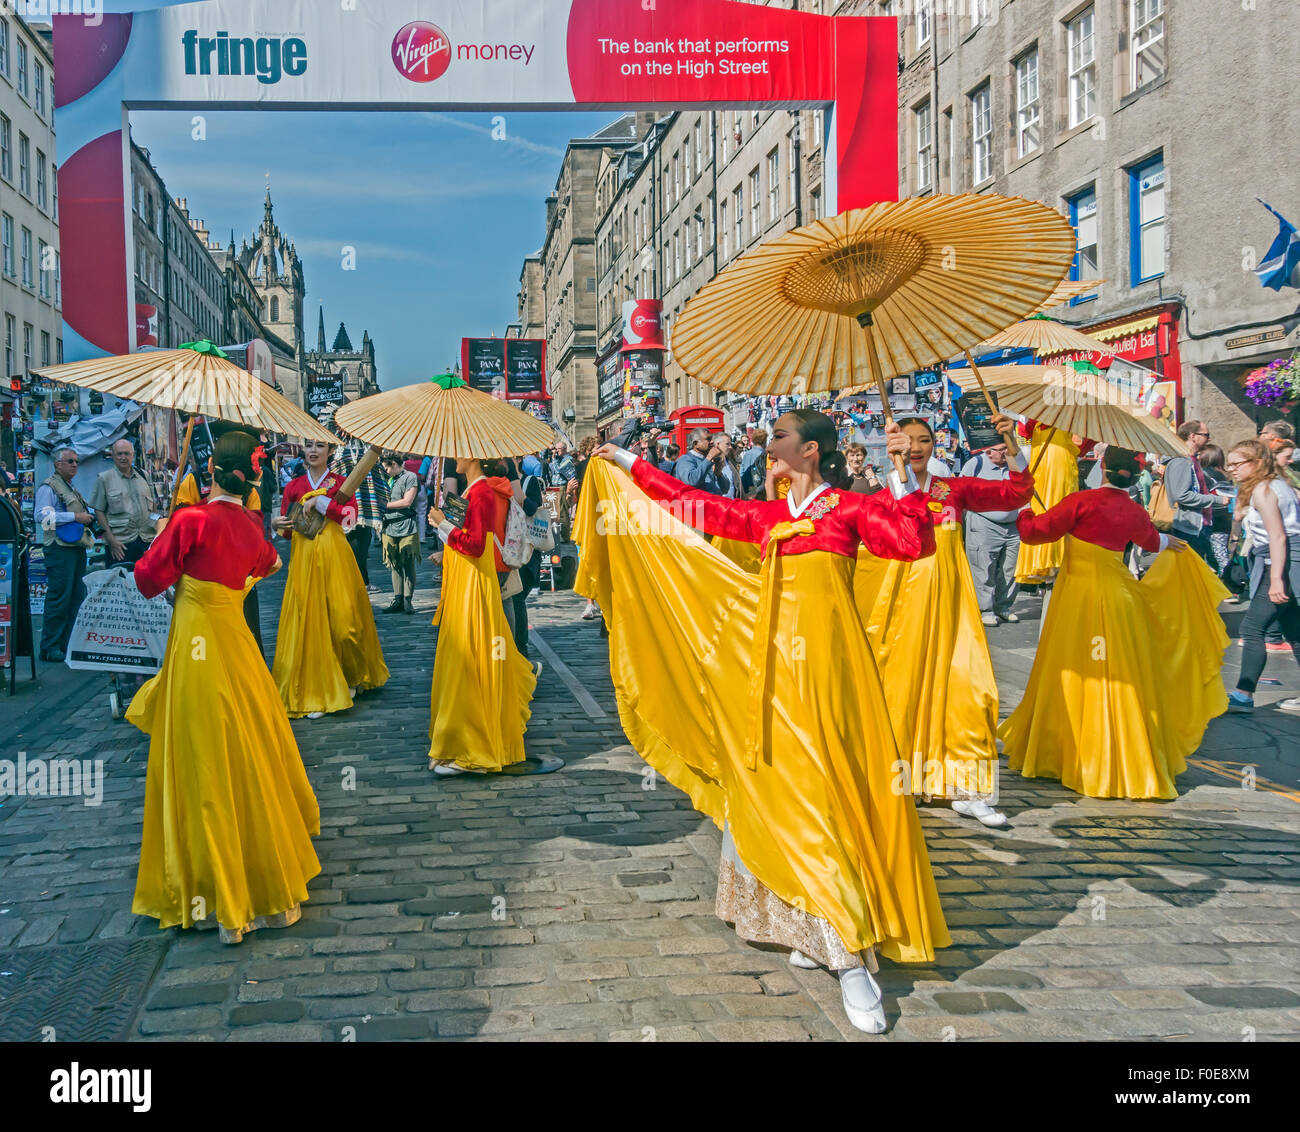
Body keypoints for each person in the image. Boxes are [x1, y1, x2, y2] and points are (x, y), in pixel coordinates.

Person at [579, 411, 949, 1034]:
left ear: (809, 451)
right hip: (773, 680)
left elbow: (914, 543)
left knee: (827, 800)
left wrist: (903, 472)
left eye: (777, 437)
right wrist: (628, 465)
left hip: (832, 679)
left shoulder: (852, 509)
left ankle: (852, 959)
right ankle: (816, 921)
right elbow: (692, 505)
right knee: (785, 794)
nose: (765, 444)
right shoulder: (768, 517)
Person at [127, 430, 320, 944]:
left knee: (202, 756)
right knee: (249, 748)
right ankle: (261, 880)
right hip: (236, 642)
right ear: (250, 477)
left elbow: (147, 580)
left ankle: (212, 887)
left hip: (197, 646)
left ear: (209, 470)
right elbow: (270, 564)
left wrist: (165, 536)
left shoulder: (190, 520)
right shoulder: (250, 525)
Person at [1001, 447, 1230, 798]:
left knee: (1072, 667)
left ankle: (1068, 751)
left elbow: (1035, 533)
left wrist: (1024, 509)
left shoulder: (1081, 501)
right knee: (1117, 674)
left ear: (1103, 467)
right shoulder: (1135, 510)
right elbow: (1151, 540)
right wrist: (1169, 541)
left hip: (1077, 598)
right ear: (1135, 474)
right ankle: (1121, 753)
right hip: (1119, 597)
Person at [854, 415, 1033, 828]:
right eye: (906, 439)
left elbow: (1016, 492)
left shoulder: (953, 491)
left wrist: (1011, 442)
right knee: (900, 692)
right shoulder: (879, 500)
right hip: (902, 618)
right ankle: (900, 782)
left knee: (970, 689)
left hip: (954, 614)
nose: (916, 447)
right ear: (892, 443)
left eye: (925, 439)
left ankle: (969, 790)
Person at [426, 454, 539, 776]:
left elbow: (475, 545)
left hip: (475, 583)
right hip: (474, 579)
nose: (453, 460)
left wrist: (442, 524)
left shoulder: (481, 492)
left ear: (473, 458)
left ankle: (472, 747)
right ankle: (464, 741)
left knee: (471, 663)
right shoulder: (483, 490)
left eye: (458, 454)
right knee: (476, 660)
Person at [273, 436, 389, 719]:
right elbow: (289, 531)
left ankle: (353, 673)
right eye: (309, 446)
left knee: (344, 623)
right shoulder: (293, 486)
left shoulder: (340, 483)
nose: (313, 451)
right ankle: (321, 687)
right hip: (303, 559)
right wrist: (277, 525)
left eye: (320, 446)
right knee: (311, 625)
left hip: (336, 556)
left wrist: (325, 504)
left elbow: (350, 520)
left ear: (331, 451)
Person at [1225, 440, 1300, 714]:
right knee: (1294, 630)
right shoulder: (1280, 485)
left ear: (1256, 463)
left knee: (1252, 629)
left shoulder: (1264, 490)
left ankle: (1243, 695)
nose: (1231, 469)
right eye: (1230, 464)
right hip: (1285, 560)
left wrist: (1277, 579)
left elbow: (1278, 536)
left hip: (1278, 562)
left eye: (1237, 464)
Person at [34, 447, 94, 662]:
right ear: (57, 464)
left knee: (75, 597)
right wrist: (75, 516)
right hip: (59, 549)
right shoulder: (49, 487)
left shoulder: (70, 487)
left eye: (77, 461)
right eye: (70, 461)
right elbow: (42, 517)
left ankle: (67, 644)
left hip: (74, 547)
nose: (74, 465)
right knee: (59, 598)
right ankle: (50, 647)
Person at [960, 439, 1024, 626]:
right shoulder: (975, 464)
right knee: (983, 569)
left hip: (1012, 524)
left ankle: (1003, 606)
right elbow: (961, 491)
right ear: (988, 451)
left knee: (1011, 569)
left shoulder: (1015, 463)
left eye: (1006, 449)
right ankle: (984, 609)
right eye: (1000, 450)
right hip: (983, 523)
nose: (1004, 453)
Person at [1014, 421, 1083, 585]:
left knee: (1047, 510)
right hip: (1057, 465)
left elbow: (1024, 432)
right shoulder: (1070, 418)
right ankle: (1053, 559)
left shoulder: (1036, 419)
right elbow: (1079, 442)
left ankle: (1041, 562)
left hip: (1044, 465)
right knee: (1057, 507)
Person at [1164, 420, 1231, 566]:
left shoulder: (1192, 460)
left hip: (1199, 525)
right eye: (1206, 435)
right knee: (1189, 573)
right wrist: (1217, 500)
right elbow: (1182, 495)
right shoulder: (1181, 461)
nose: (1209, 439)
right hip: (1188, 527)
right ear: (1193, 436)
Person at [91, 439, 158, 566]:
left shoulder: (143, 475)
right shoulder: (104, 478)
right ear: (113, 455)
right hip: (121, 544)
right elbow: (99, 511)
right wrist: (111, 540)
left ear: (133, 455)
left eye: (127, 454)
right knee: (121, 582)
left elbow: (153, 506)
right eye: (119, 454)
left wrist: (156, 534)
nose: (123, 457)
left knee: (146, 582)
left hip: (146, 540)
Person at [331, 444, 389, 591]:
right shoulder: (341, 453)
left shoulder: (344, 454)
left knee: (359, 547)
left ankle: (361, 580)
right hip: (350, 508)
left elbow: (379, 477)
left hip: (363, 509)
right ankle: (356, 581)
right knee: (354, 547)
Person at [380, 452, 419, 614]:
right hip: (388, 526)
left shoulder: (410, 477)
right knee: (394, 563)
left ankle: (408, 600)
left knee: (408, 561)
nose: (386, 471)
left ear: (394, 464)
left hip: (406, 525)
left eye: (387, 467)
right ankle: (398, 599)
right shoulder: (384, 478)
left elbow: (407, 501)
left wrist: (385, 505)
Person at [1197, 444, 1235, 574]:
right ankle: (1226, 576)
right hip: (1225, 515)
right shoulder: (1225, 474)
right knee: (1221, 549)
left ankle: (1228, 580)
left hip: (1210, 515)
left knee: (1213, 552)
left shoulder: (1203, 473)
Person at [739, 429, 768, 498]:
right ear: (764, 441)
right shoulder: (763, 455)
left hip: (746, 489)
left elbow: (742, 472)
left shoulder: (747, 454)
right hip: (759, 491)